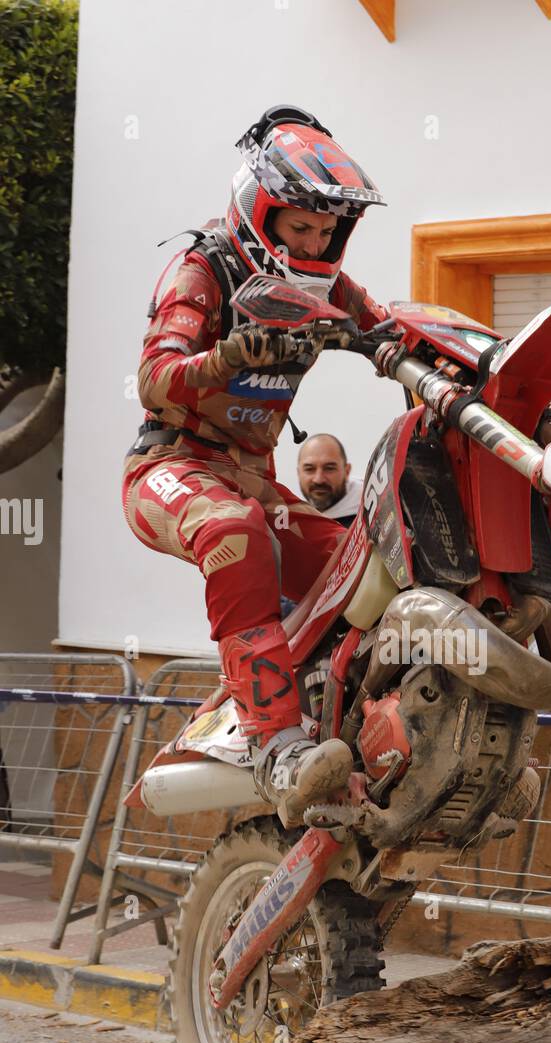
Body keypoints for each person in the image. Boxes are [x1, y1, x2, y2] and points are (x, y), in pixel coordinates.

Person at [121, 105, 387, 821]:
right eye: (300, 226)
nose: (314, 242)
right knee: (235, 531)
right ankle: (276, 741)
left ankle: (376, 742)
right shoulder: (203, 267)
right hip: (171, 469)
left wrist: (469, 361)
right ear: (257, 210)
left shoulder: (325, 285)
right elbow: (154, 380)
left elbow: (386, 329)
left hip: (254, 480)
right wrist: (229, 356)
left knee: (369, 564)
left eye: (327, 230)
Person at [296, 433, 361, 526]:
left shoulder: (374, 514)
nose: (318, 480)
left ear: (347, 471)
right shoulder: (290, 523)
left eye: (329, 468)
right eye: (309, 469)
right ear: (299, 473)